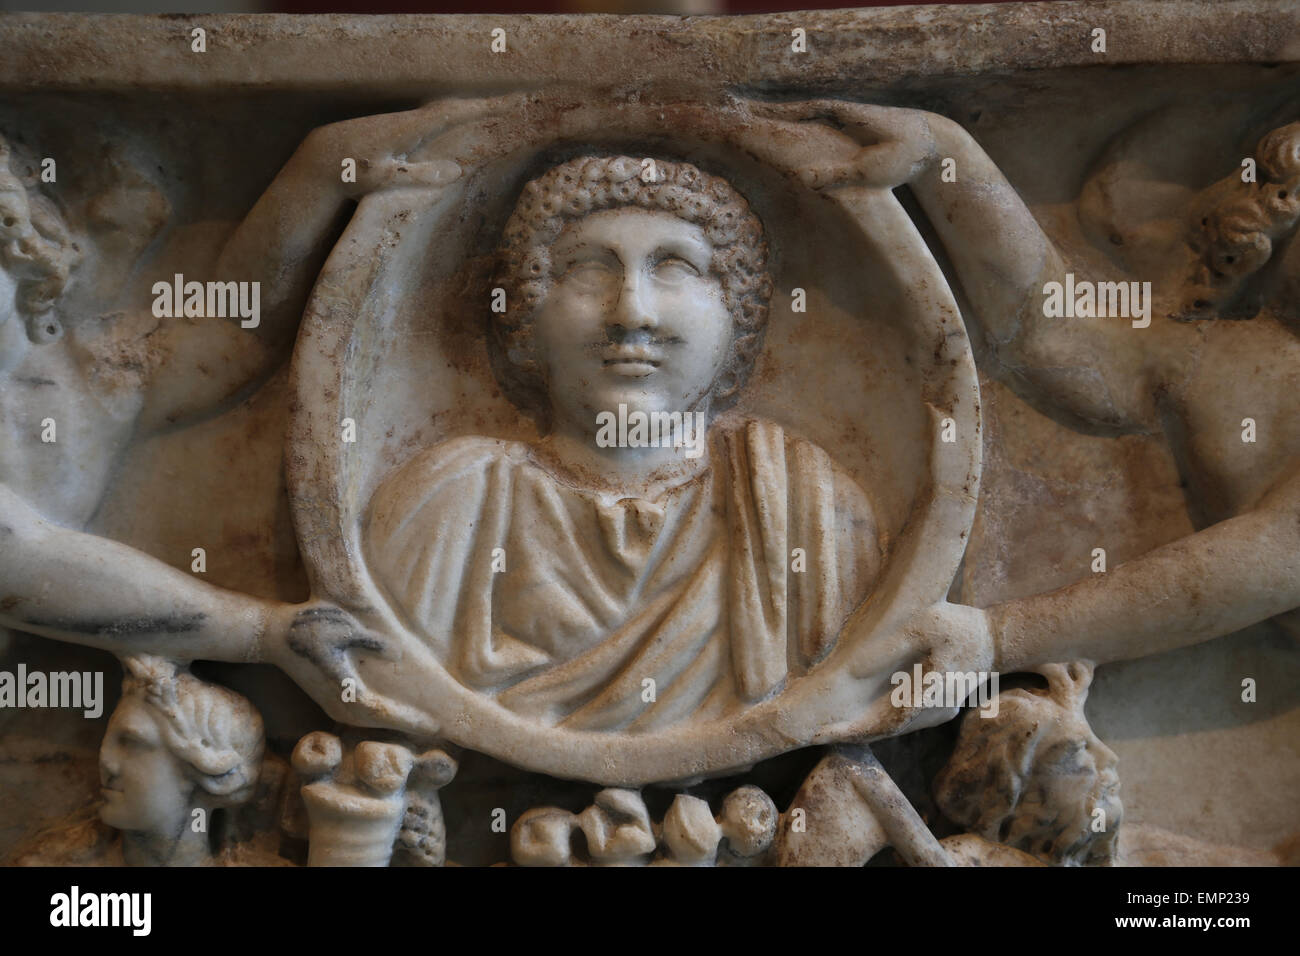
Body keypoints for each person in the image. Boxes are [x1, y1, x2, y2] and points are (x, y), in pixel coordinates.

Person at [744, 101, 1300, 675]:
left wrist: (1001, 638)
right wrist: (946, 157)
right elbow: (1051, 334)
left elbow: (1276, 556)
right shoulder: (1230, 349)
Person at [365, 154, 884, 731]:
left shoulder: (809, 511)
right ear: (525, 317)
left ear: (739, 317)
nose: (632, 313)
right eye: (587, 270)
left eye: (675, 269)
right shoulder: (450, 503)